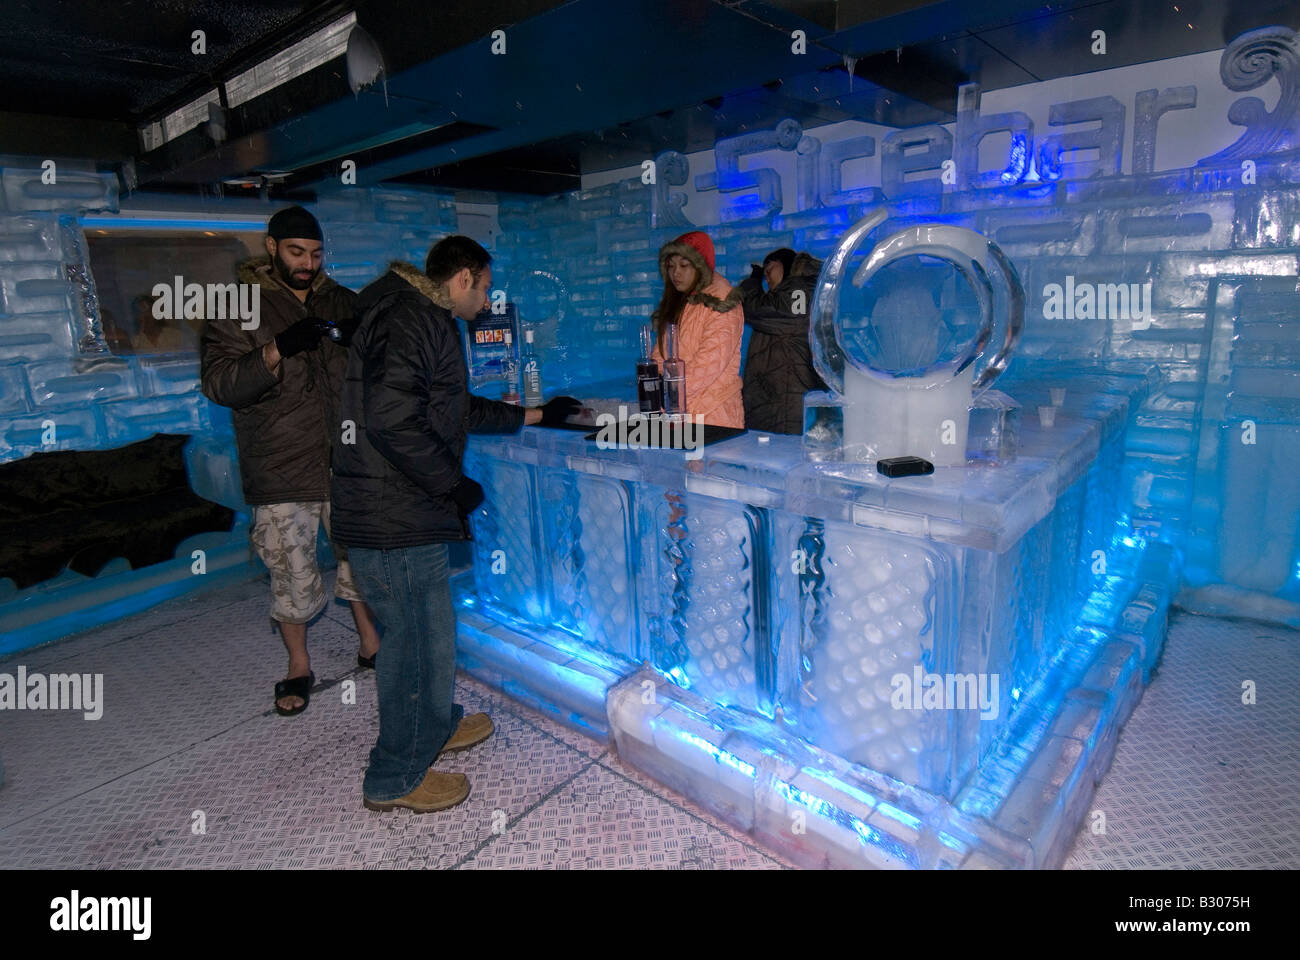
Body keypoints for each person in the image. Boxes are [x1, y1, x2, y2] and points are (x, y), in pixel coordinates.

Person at [331, 236, 579, 813]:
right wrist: (452, 483)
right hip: (394, 513)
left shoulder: (422, 318)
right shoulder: (411, 319)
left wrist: (535, 414)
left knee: (433, 631)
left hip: (404, 507)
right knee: (413, 643)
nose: (487, 299)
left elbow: (451, 407)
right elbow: (393, 422)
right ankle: (394, 776)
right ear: (463, 277)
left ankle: (435, 723)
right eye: (487, 286)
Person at [200, 205, 380, 717]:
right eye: (297, 252)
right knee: (291, 573)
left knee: (360, 564)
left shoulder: (343, 300)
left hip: (347, 463)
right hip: (281, 467)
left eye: (317, 253)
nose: (308, 263)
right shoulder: (236, 307)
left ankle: (371, 645)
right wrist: (276, 350)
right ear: (272, 246)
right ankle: (298, 665)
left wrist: (361, 338)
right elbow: (220, 385)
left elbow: (375, 373)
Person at [650, 230, 744, 428]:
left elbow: (709, 363)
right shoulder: (678, 301)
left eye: (684, 265)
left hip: (713, 415)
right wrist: (655, 385)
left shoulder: (720, 301)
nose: (676, 273)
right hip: (676, 414)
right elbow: (660, 352)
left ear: (701, 266)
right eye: (671, 266)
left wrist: (668, 392)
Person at [737, 247, 827, 434]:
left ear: (786, 264)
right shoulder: (794, 293)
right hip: (780, 399)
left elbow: (754, 308)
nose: (766, 277)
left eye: (769, 270)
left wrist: (753, 281)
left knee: (784, 457)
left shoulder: (800, 290)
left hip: (787, 403)